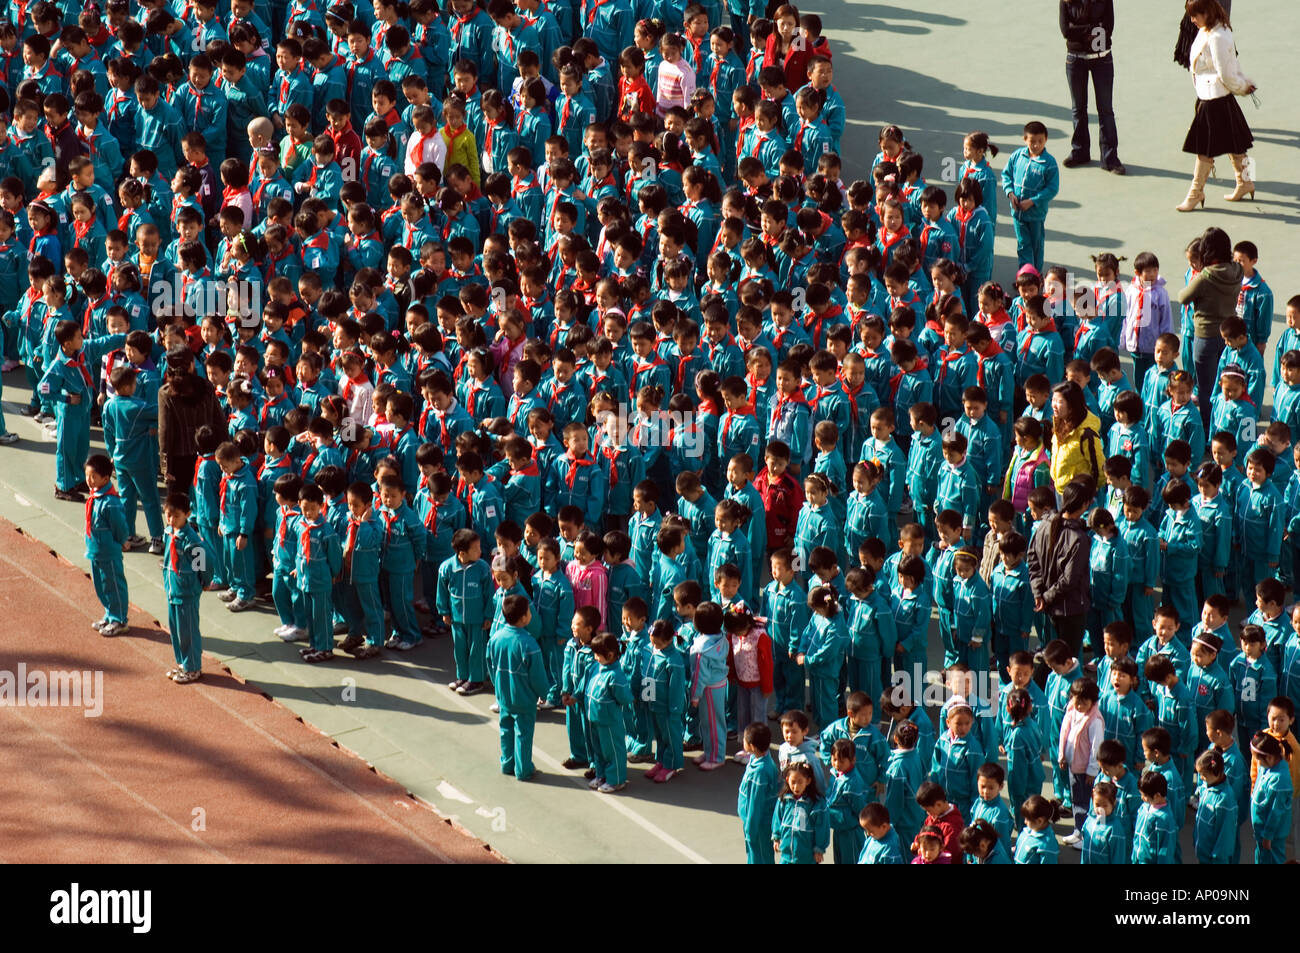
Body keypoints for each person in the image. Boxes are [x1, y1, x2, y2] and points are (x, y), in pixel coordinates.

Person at [1177, 0, 1257, 210]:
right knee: (1237, 144)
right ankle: (1246, 182)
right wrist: (1242, 84)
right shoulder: (1210, 29)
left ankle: (1196, 193)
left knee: (1204, 150)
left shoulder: (1218, 37)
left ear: (1207, 13)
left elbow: (1227, 72)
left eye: (1195, 15)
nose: (1192, 20)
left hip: (1214, 98)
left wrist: (1241, 86)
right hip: (1212, 95)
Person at [1177, 228, 1243, 427]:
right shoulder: (1237, 270)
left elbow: (1183, 297)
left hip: (1205, 336)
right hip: (1228, 336)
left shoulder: (1206, 277)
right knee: (1226, 383)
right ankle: (1225, 424)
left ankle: (1208, 428)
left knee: (1207, 388)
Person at [487, 594, 550, 781]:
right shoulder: (529, 644)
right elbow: (537, 675)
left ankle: (507, 764)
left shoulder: (495, 638)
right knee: (523, 733)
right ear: (524, 618)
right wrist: (544, 694)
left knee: (506, 729)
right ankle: (523, 769)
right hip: (524, 699)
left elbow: (491, 666)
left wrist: (497, 686)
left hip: (503, 696)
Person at [1027, 479, 1093, 657]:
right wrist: (1045, 597)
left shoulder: (1044, 525)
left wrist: (1039, 593)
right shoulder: (1078, 538)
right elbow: (1069, 579)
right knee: (1067, 660)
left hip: (1049, 606)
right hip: (1070, 608)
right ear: (1084, 505)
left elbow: (1032, 560)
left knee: (1052, 655)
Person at [1059, 0, 1124, 174]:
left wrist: (1079, 29)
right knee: (1078, 109)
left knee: (1105, 110)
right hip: (1075, 60)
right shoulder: (1065, 1)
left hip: (1102, 59)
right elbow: (1066, 31)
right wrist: (1091, 29)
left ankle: (1110, 158)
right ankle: (1080, 152)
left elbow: (1107, 28)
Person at [84, 454, 130, 638]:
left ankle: (119, 619)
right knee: (101, 585)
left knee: (114, 585)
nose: (88, 480)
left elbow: (120, 527)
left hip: (108, 552)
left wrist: (122, 541)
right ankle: (110, 615)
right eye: (87, 475)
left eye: (93, 476)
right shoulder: (95, 496)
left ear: (105, 478)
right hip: (95, 551)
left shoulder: (110, 502)